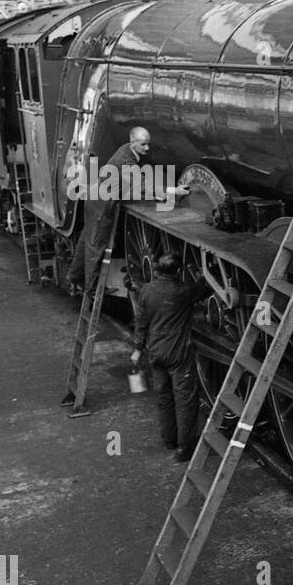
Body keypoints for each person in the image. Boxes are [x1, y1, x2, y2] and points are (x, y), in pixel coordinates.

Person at [66, 127, 186, 295]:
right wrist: (172, 190)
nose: (147, 149)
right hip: (102, 206)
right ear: (133, 143)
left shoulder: (125, 149)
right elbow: (142, 183)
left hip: (94, 201)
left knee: (86, 240)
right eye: (143, 145)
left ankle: (74, 277)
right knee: (96, 247)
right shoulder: (126, 161)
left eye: (148, 144)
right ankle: (91, 289)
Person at [131, 252, 214, 463]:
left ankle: (169, 440)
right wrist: (205, 272)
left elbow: (141, 322)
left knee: (164, 397)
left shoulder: (148, 291)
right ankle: (184, 448)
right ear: (178, 271)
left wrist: (138, 349)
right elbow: (204, 288)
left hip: (155, 352)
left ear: (157, 270)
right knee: (185, 400)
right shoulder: (183, 291)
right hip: (178, 354)